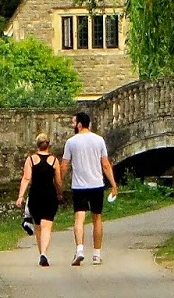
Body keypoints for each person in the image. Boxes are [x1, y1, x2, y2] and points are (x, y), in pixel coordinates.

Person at [61, 110, 118, 266]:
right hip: (96, 185)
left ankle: (79, 249)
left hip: (79, 186)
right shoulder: (99, 140)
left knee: (79, 218)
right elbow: (105, 164)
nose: (72, 125)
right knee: (97, 219)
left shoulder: (71, 142)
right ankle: (96, 254)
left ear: (79, 124)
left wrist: (58, 183)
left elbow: (64, 165)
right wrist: (113, 184)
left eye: (73, 122)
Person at [15, 134, 62, 267]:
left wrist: (20, 196)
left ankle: (41, 252)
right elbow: (58, 181)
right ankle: (44, 253)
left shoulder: (31, 160)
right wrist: (60, 193)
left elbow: (26, 178)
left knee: (38, 227)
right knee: (47, 226)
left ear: (37, 145)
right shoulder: (54, 160)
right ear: (48, 145)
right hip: (49, 195)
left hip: (35, 195)